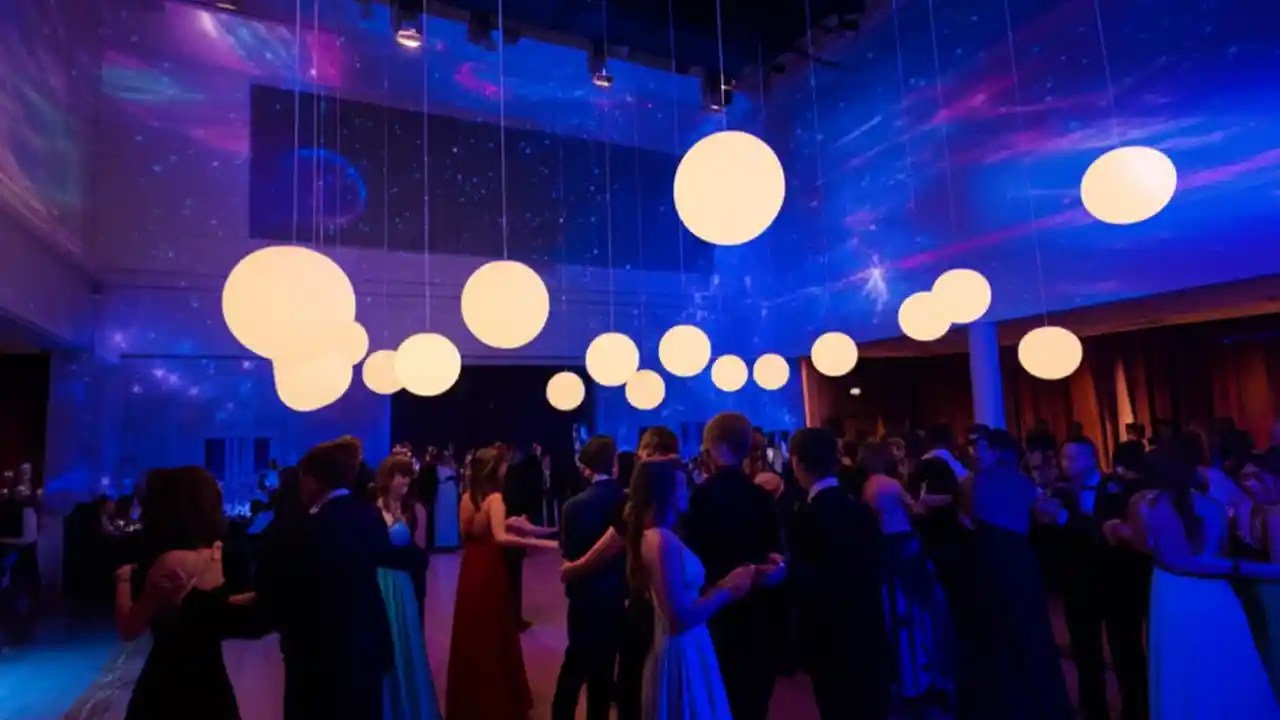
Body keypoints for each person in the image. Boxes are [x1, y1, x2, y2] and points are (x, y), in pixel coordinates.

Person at [1108, 449, 1280, 718]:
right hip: (1217, 593)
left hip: (1173, 593)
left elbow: (1150, 547)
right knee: (1227, 666)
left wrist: (1115, 528)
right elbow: (1219, 550)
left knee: (1183, 672)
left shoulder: (1147, 503)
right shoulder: (1212, 506)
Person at [254, 437, 394, 720]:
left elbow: (283, 590)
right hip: (366, 647)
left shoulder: (303, 527)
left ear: (315, 479)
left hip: (316, 658)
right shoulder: (371, 517)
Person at [115, 467, 262, 719]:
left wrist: (123, 579)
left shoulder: (171, 562)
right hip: (212, 682)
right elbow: (215, 609)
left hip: (167, 685)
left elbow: (130, 628)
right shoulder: (219, 553)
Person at [627, 458, 755, 719]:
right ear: (664, 493)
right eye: (681, 486)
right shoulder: (661, 539)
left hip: (689, 643)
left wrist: (727, 583)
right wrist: (727, 590)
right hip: (682, 648)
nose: (688, 490)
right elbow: (678, 619)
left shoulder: (660, 536)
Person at [1036, 437, 1148, 720]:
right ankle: (1094, 712)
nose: (1067, 464)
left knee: (1128, 655)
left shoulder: (1119, 490)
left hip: (1117, 583)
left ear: (1092, 457)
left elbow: (1113, 535)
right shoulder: (1057, 493)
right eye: (1064, 458)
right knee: (1086, 658)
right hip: (1077, 585)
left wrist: (1064, 520)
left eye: (1074, 457)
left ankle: (1136, 711)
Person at [682, 412, 783, 720]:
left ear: (713, 448)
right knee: (753, 701)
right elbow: (774, 554)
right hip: (758, 610)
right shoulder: (761, 497)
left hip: (714, 611)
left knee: (716, 699)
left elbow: (690, 559)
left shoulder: (698, 498)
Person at [445, 447, 558, 720]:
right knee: (494, 629)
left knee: (472, 630)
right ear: (495, 470)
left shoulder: (466, 498)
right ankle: (496, 700)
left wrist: (516, 525)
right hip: (491, 568)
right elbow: (499, 537)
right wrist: (540, 543)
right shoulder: (496, 498)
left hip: (471, 567)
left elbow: (471, 532)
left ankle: (468, 700)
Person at [967, 430, 1072, 720]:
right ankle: (1039, 703)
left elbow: (967, 520)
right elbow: (1051, 516)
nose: (975, 453)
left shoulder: (976, 481)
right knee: (1028, 631)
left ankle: (1010, 704)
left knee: (1000, 632)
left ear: (998, 451)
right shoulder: (1021, 482)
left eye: (981, 448)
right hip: (1018, 561)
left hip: (992, 560)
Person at [786, 428, 889, 719]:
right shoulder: (861, 510)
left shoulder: (805, 516)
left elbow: (805, 581)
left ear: (797, 463)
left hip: (827, 634)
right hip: (868, 625)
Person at [859, 442, 954, 712]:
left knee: (897, 613)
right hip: (905, 546)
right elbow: (915, 510)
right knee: (922, 612)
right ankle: (924, 678)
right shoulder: (889, 483)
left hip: (885, 549)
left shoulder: (867, 487)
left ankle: (907, 678)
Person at [553, 436, 627, 720]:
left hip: (582, 595)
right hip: (614, 594)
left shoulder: (573, 506)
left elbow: (567, 552)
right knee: (604, 669)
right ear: (615, 463)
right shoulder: (624, 501)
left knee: (574, 664)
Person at [374, 456, 440, 720]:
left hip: (404, 583)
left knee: (407, 641)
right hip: (378, 581)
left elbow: (420, 555)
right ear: (388, 477)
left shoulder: (416, 510)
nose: (406, 481)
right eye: (402, 475)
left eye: (408, 476)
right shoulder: (372, 509)